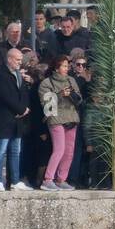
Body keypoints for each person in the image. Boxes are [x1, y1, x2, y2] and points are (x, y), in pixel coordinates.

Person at [38, 55, 83, 190]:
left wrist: (72, 95)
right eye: (63, 66)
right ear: (56, 68)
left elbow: (79, 100)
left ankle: (61, 179)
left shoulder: (71, 80)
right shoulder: (46, 83)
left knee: (69, 152)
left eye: (67, 66)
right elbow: (46, 105)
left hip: (71, 118)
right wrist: (60, 95)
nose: (66, 68)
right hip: (56, 119)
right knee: (59, 149)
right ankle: (47, 179)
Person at [0, 47, 31, 191]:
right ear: (9, 59)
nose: (20, 62)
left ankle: (15, 180)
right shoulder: (1, 74)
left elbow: (23, 92)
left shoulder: (18, 75)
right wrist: (20, 109)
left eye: (21, 60)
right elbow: (5, 96)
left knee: (16, 151)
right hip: (5, 118)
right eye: (18, 60)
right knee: (1, 150)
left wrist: (25, 109)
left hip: (18, 120)